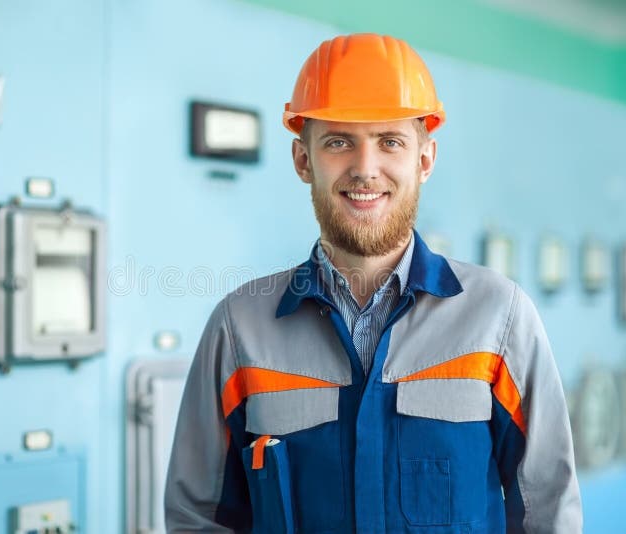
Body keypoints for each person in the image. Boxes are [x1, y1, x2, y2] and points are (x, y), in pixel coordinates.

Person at [165, 33, 582, 533]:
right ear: (303, 160)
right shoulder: (239, 330)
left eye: (390, 142)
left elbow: (548, 511)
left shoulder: (499, 319)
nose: (365, 169)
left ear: (424, 160)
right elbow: (198, 518)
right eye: (339, 142)